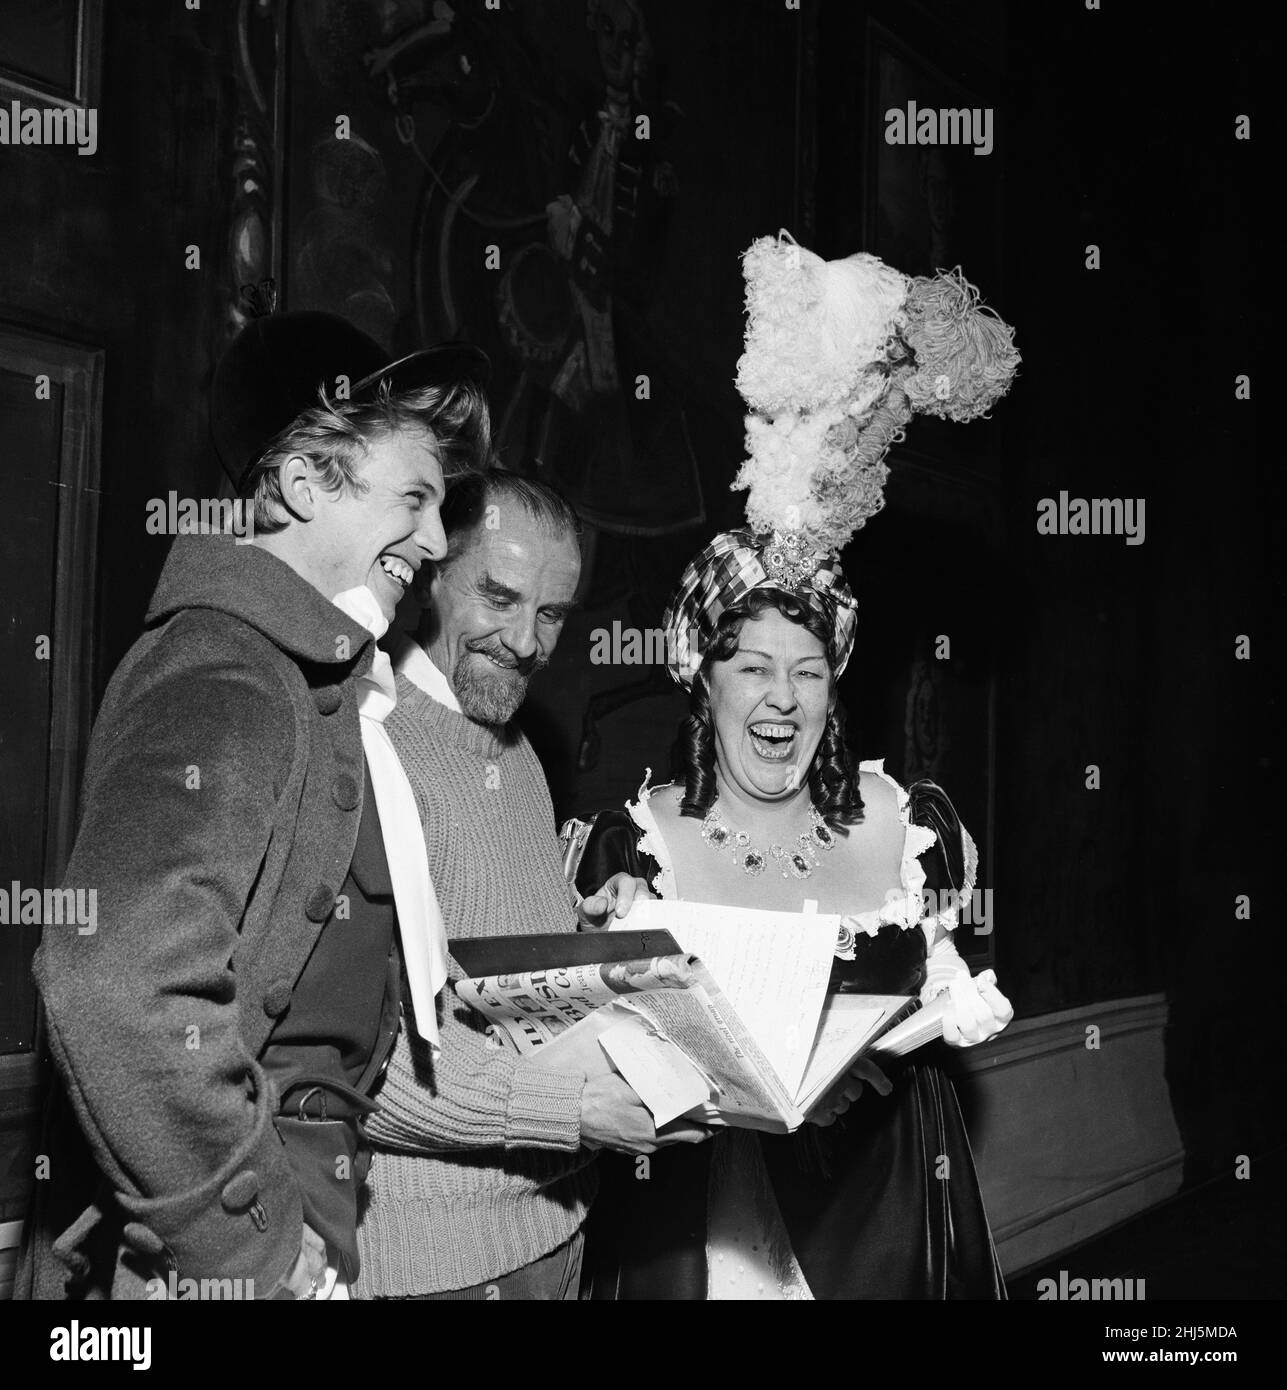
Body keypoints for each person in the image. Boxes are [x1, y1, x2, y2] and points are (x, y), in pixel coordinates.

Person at [18, 311, 490, 1299]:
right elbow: (114, 976)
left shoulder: (305, 676)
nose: (440, 540)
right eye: (416, 495)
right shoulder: (226, 665)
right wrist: (254, 1246)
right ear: (305, 481)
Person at [564, 528, 1014, 1299]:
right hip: (695, 1208)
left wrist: (892, 1041)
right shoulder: (635, 847)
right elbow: (600, 1054)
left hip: (880, 1194)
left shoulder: (904, 823)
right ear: (701, 680)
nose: (783, 697)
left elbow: (946, 987)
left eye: (808, 672)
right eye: (752, 668)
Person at [352, 469, 709, 1301]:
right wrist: (571, 1113)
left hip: (557, 1229)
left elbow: (482, 962)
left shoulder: (514, 751)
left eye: (550, 614)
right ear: (430, 572)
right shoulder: (366, 744)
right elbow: (355, 1066)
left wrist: (585, 929)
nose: (525, 642)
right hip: (431, 1264)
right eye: (500, 598)